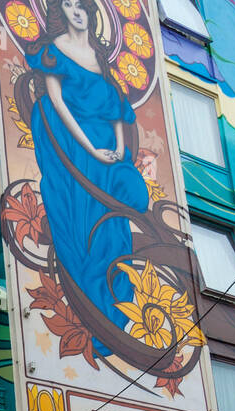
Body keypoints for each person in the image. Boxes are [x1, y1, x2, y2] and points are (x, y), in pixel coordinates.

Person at [25, 0, 149, 351]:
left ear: (90, 10)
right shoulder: (53, 51)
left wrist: (121, 153)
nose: (76, 10)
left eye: (81, 5)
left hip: (107, 154)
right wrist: (91, 150)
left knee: (113, 230)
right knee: (81, 228)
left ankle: (115, 317)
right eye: (68, 4)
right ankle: (92, 315)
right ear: (59, 10)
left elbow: (116, 110)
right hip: (74, 149)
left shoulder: (100, 55)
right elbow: (57, 105)